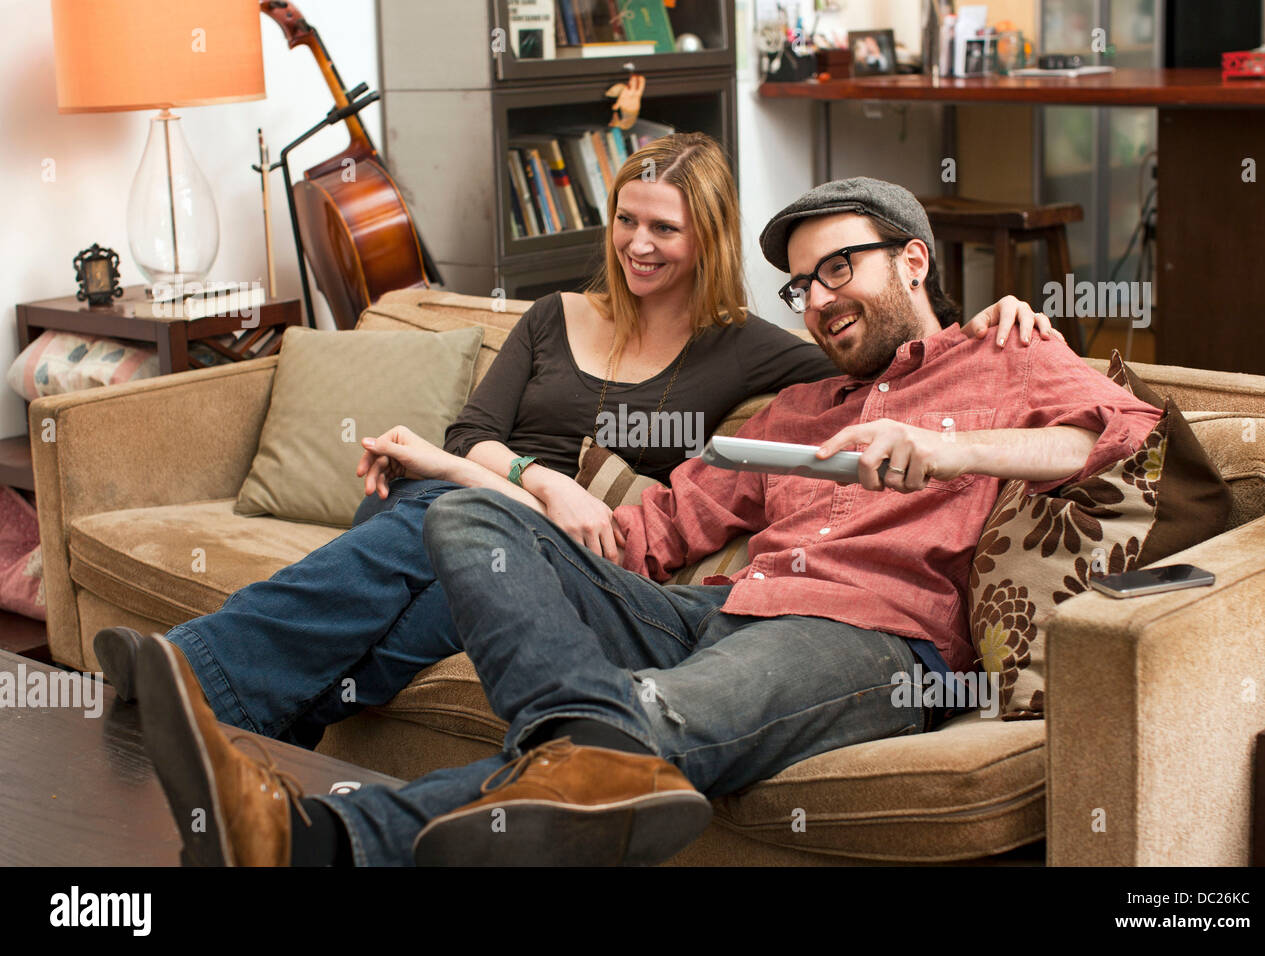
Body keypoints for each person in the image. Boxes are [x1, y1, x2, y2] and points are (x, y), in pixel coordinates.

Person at [132, 175, 1157, 867]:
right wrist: (451, 464)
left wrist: (954, 448)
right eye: (802, 284)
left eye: (839, 268)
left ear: (914, 262)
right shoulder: (799, 408)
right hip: (715, 611)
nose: (817, 301)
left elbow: (1114, 433)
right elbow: (637, 539)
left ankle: (309, 839)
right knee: (455, 517)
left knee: (651, 714)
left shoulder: (1008, 355)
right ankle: (577, 740)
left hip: (872, 641)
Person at [94, 133, 1050, 750]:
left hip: (560, 547)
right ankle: (234, 700)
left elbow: (892, 371)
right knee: (437, 511)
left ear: (705, 239)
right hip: (496, 509)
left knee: (452, 535)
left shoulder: (764, 353)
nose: (638, 244)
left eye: (663, 228)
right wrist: (545, 485)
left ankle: (210, 686)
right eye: (626, 220)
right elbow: (471, 434)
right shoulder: (553, 318)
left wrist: (990, 317)